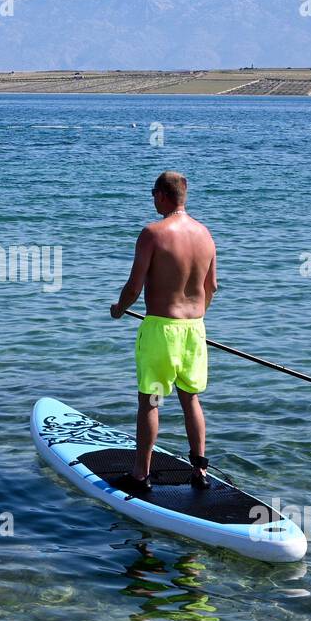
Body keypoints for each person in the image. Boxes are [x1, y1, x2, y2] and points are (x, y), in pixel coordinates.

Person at [109, 171, 218, 494]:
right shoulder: (205, 234)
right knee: (190, 398)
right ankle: (200, 471)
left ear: (162, 195)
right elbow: (211, 286)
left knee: (151, 401)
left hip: (162, 330)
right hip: (194, 329)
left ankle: (140, 475)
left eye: (152, 193)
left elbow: (134, 287)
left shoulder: (153, 234)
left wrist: (119, 309)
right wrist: (196, 316)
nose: (152, 199)